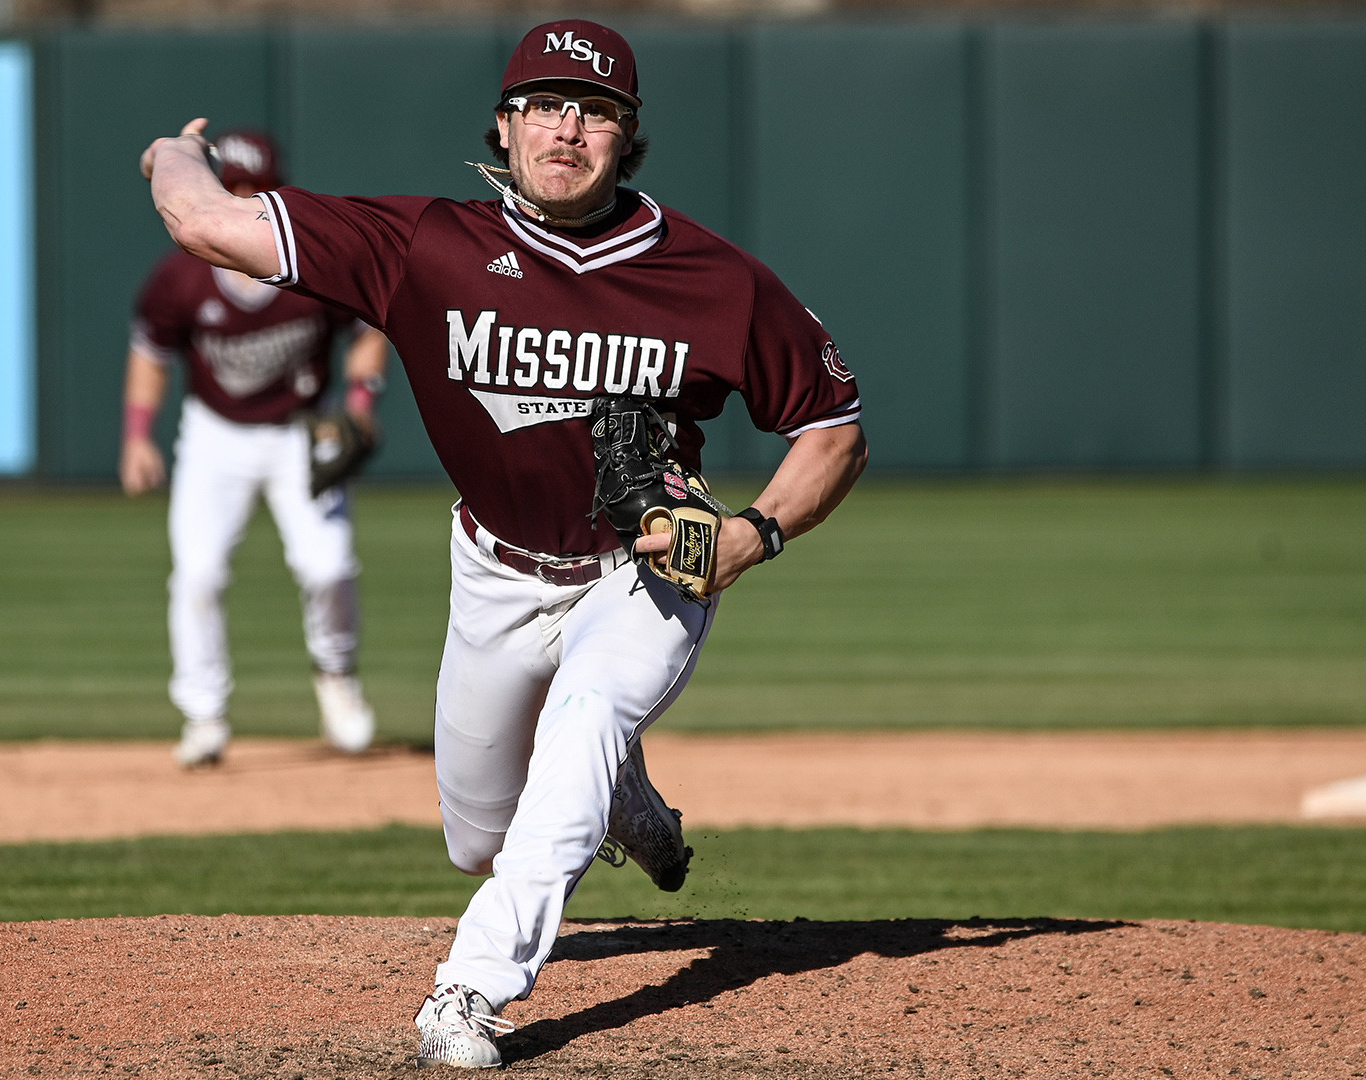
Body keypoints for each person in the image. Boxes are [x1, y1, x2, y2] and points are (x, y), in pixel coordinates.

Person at [140, 21, 866, 1067]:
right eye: (544, 104)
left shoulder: (712, 278)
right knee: (477, 836)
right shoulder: (425, 245)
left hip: (643, 571)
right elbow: (199, 221)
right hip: (493, 570)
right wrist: (174, 149)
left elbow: (835, 428)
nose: (567, 127)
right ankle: (621, 795)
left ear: (628, 136)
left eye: (596, 109)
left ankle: (470, 992)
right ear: (506, 123)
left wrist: (753, 535)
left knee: (584, 715)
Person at [120, 127, 389, 766]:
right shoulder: (181, 277)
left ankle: (337, 680)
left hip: (301, 431)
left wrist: (357, 405)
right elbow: (150, 354)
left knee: (327, 567)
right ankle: (204, 716)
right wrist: (136, 436)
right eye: (230, 185)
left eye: (254, 187)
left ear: (275, 193)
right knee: (198, 575)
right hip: (216, 435)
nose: (241, 196)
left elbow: (371, 327)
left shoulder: (307, 263)